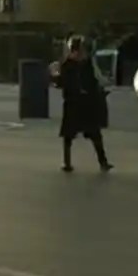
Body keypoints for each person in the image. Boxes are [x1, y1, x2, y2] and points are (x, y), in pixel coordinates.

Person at [51, 35, 113, 173]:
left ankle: (103, 162)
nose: (81, 53)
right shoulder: (67, 65)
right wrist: (56, 78)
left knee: (95, 133)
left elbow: (93, 81)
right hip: (73, 103)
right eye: (79, 50)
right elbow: (62, 83)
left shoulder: (87, 64)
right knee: (68, 135)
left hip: (87, 103)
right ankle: (67, 163)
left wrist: (98, 91)